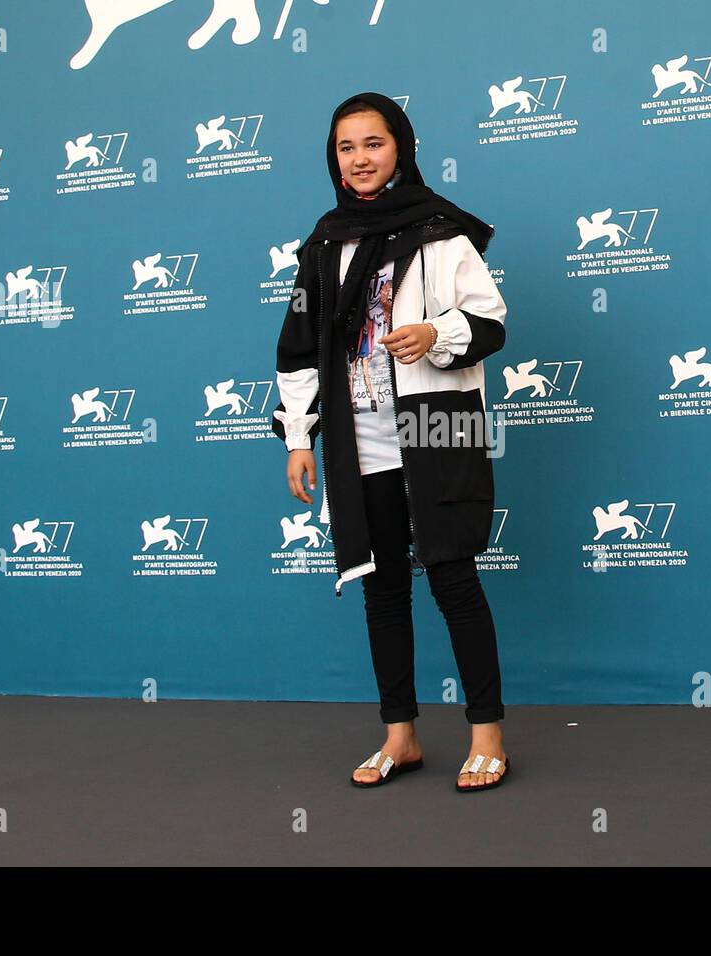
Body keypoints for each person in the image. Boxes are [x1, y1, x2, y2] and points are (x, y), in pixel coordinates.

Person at [270, 92, 511, 793]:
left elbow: (492, 324)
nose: (360, 159)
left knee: (453, 575)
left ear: (399, 147)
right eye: (346, 147)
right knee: (380, 586)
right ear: (334, 159)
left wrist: (439, 334)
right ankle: (400, 735)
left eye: (373, 144)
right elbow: (297, 350)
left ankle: (487, 734)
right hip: (361, 434)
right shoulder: (324, 243)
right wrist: (299, 438)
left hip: (438, 421)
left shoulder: (441, 231)